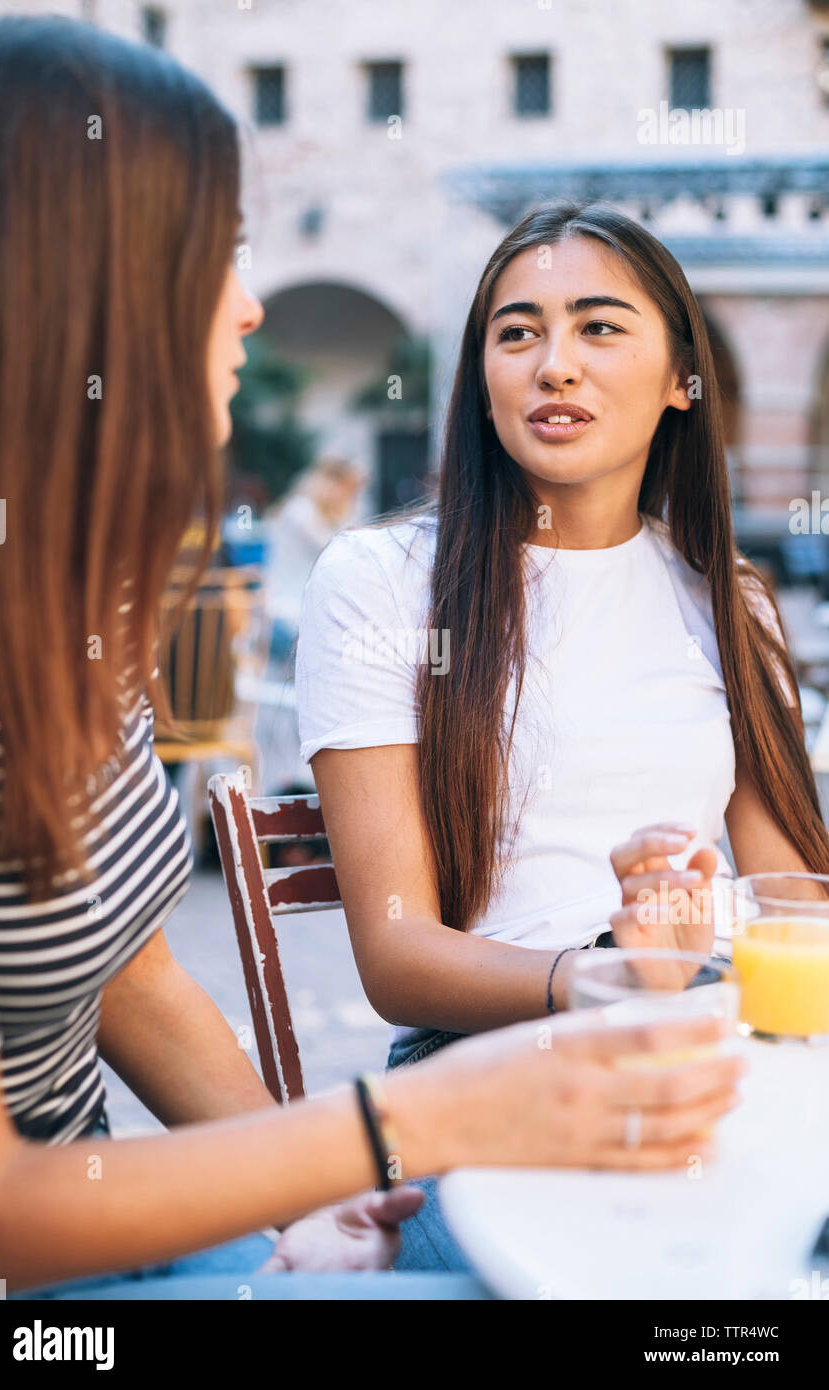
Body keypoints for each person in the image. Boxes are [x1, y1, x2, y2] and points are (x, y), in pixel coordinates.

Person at [0, 18, 744, 1300]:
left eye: (601, 330)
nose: (254, 299)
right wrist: (403, 1124)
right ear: (73, 282)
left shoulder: (50, 611)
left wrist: (317, 1192)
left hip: (124, 1230)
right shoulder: (383, 578)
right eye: (214, 251)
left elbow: (131, 978)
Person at [295, 199, 829, 1268]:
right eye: (515, 332)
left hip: (719, 1052)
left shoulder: (726, 600)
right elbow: (397, 957)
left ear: (682, 378)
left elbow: (791, 905)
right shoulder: (379, 583)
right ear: (480, 378)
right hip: (486, 1070)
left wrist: (696, 969)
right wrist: (608, 970)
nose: (553, 365)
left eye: (597, 326)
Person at [265, 457, 368, 670]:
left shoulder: (316, 514)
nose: (353, 497)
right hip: (286, 616)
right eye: (351, 489)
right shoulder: (300, 512)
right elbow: (340, 548)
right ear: (332, 484)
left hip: (299, 616)